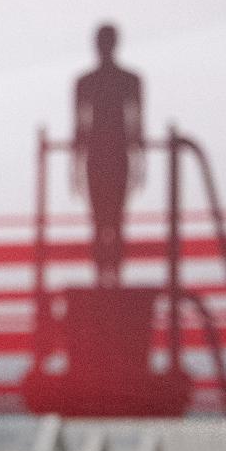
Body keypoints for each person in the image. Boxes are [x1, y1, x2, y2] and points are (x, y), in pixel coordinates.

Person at [72, 23, 145, 287]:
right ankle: (106, 274)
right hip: (108, 156)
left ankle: (109, 274)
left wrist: (75, 167)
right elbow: (80, 127)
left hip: (109, 156)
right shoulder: (124, 80)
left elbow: (136, 125)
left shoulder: (96, 81)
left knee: (110, 218)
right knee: (107, 219)